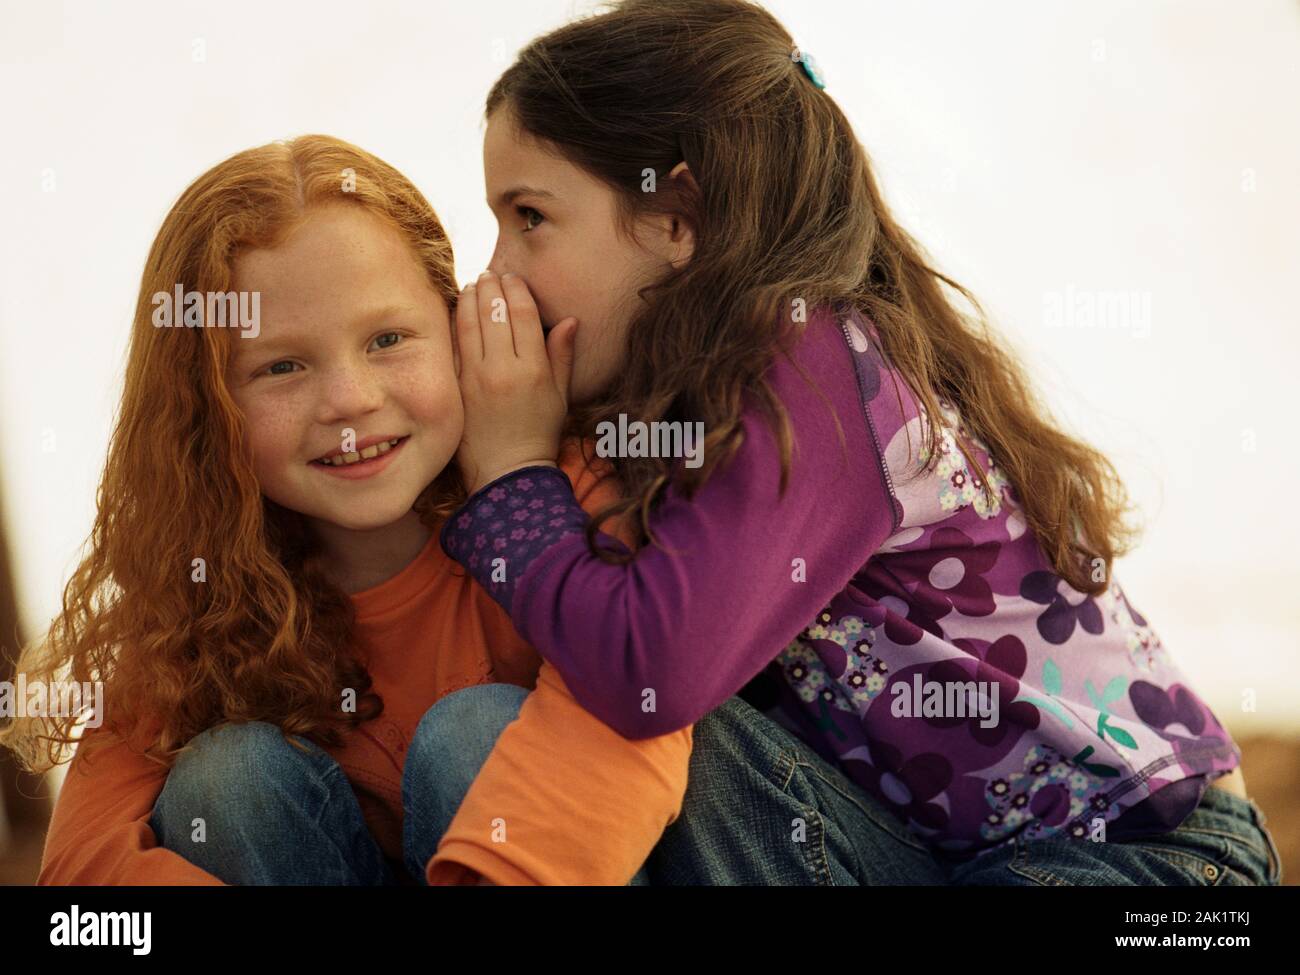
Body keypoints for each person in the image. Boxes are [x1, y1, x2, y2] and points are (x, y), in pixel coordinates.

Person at [440, 0, 1282, 885]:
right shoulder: (701, 392)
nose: (497, 267)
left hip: (1145, 855)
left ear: (676, 219)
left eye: (528, 216)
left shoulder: (811, 368)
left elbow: (651, 666)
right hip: (924, 850)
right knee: (548, 740)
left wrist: (509, 477)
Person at [6, 134, 691, 886]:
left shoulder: (558, 495)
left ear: (459, 324)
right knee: (225, 779)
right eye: (282, 366)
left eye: (388, 338)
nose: (350, 399)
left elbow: (637, 717)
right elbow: (79, 869)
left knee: (476, 735)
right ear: (207, 410)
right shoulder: (190, 604)